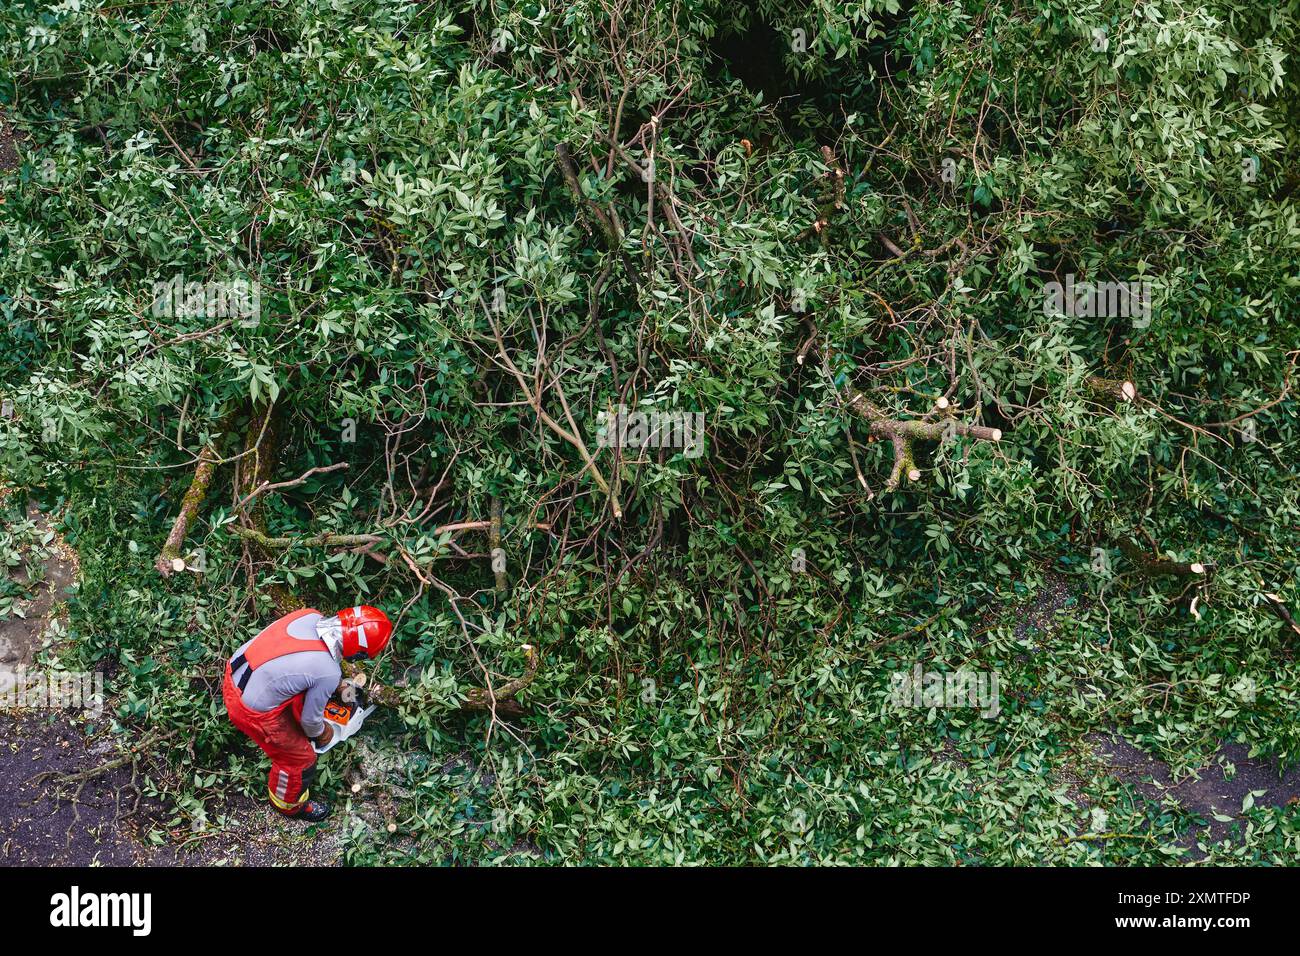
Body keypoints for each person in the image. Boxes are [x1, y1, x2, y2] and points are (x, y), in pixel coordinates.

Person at [222, 605, 391, 821]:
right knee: (300, 758)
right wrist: (324, 733)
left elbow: (305, 661)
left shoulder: (310, 616)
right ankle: (288, 805)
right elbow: (310, 722)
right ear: (358, 652)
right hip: (247, 710)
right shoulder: (327, 672)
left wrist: (337, 686)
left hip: (234, 674)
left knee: (301, 692)